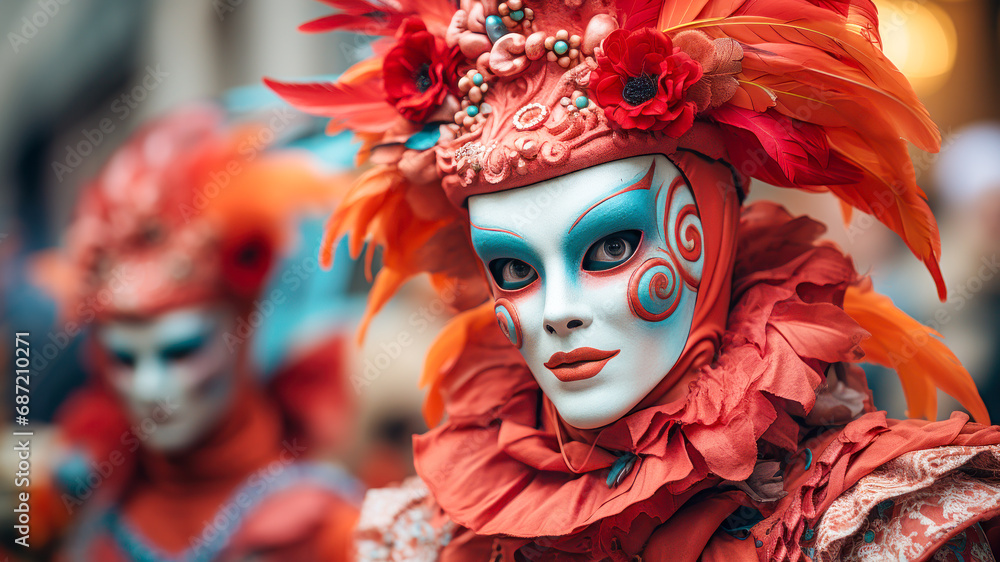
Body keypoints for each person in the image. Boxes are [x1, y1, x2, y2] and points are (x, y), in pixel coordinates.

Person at [268, 0, 1000, 559]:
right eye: (515, 269)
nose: (557, 312)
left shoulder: (884, 527)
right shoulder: (424, 536)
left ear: (710, 230)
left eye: (612, 245)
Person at [38, 104, 362, 561]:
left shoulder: (325, 529)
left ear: (241, 334)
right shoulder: (83, 508)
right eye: (125, 360)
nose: (149, 387)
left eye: (180, 351)